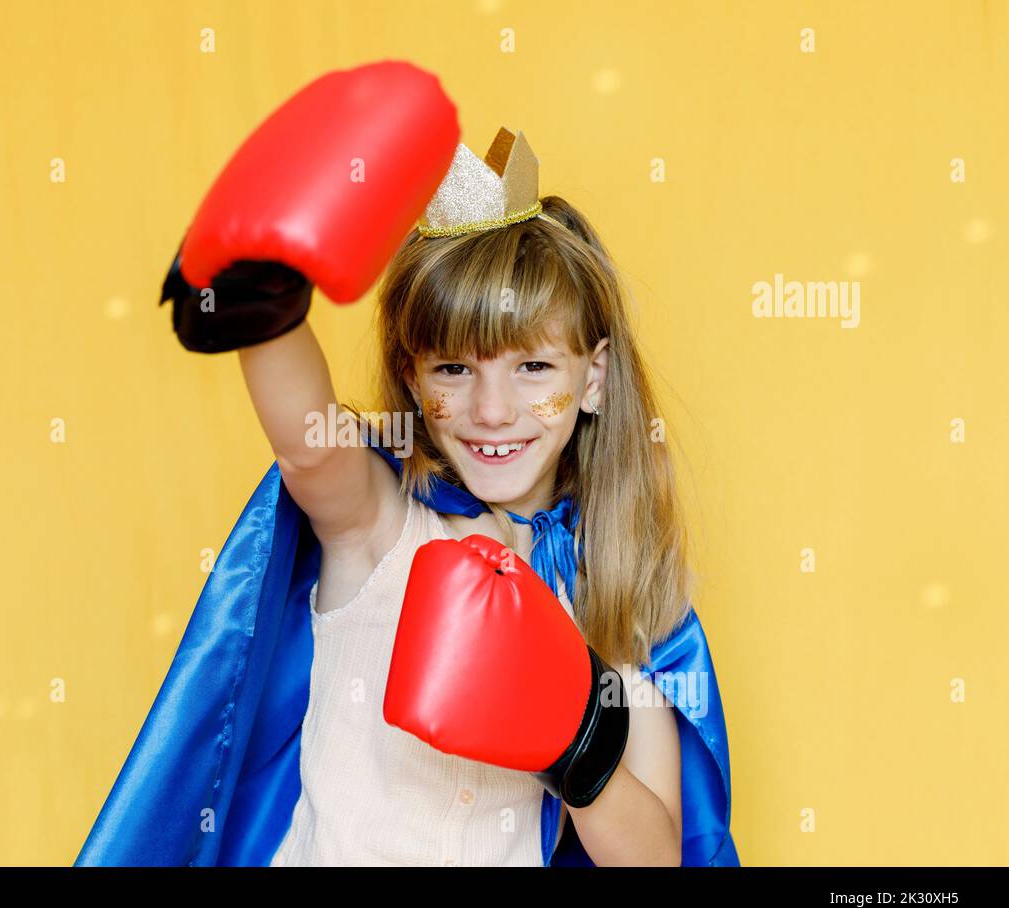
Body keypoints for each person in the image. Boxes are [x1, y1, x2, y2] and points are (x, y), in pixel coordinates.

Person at [76, 61, 738, 867]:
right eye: (455, 370)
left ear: (592, 378)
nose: (492, 411)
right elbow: (310, 446)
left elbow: (657, 857)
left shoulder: (617, 611)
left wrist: (576, 740)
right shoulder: (380, 530)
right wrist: (264, 311)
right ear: (413, 377)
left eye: (532, 369)